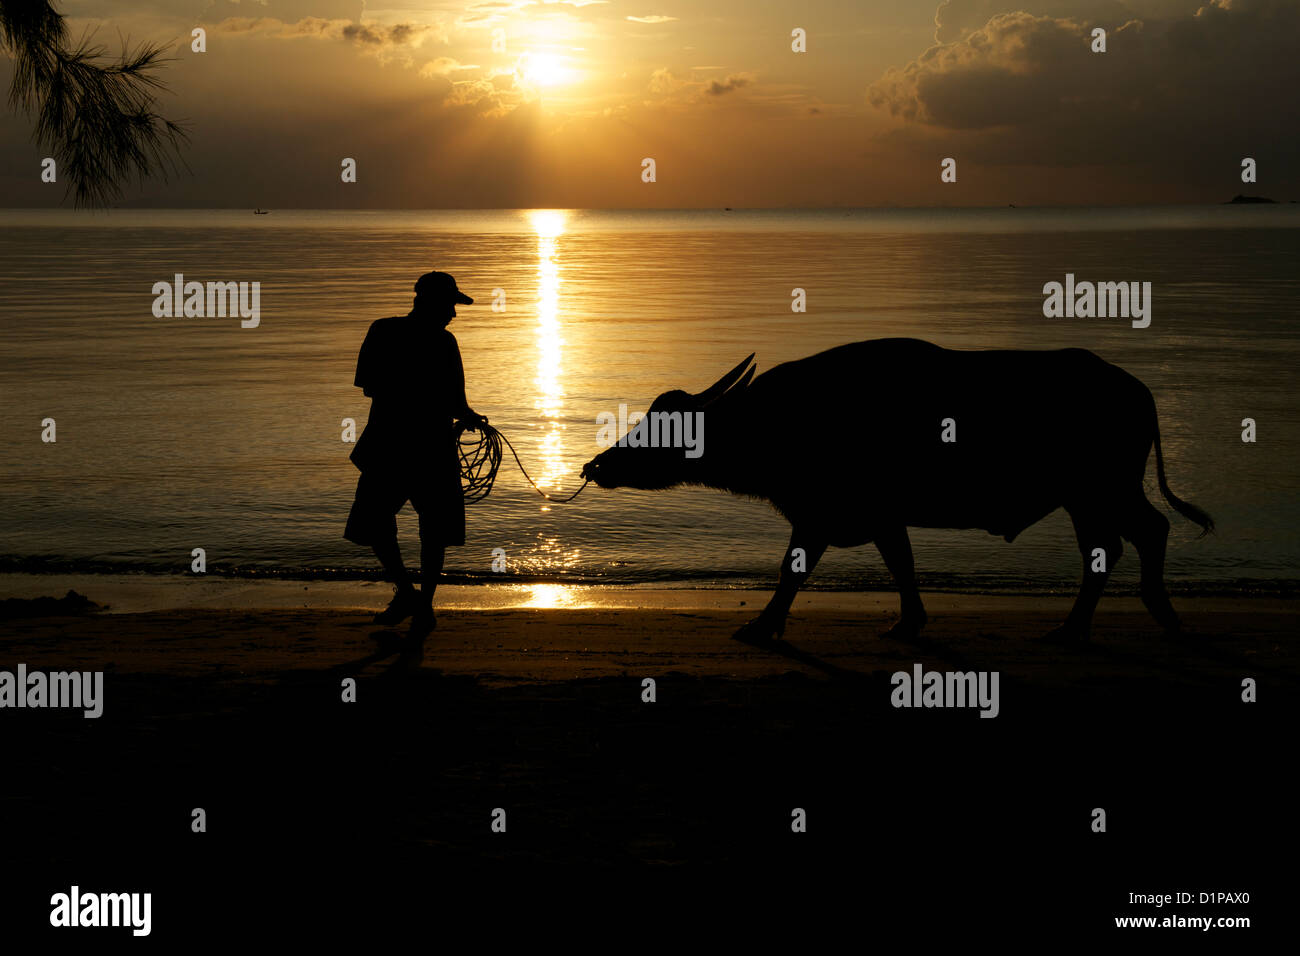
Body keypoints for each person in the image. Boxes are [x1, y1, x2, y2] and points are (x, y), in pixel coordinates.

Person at [344, 271, 487, 637]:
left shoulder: (384, 331)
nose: (453, 314)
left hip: (389, 445)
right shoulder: (442, 342)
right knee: (432, 531)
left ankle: (412, 598)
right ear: (430, 302)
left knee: (377, 523)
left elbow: (370, 388)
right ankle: (419, 602)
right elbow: (457, 404)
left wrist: (467, 415)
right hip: (429, 449)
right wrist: (461, 414)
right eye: (450, 305)